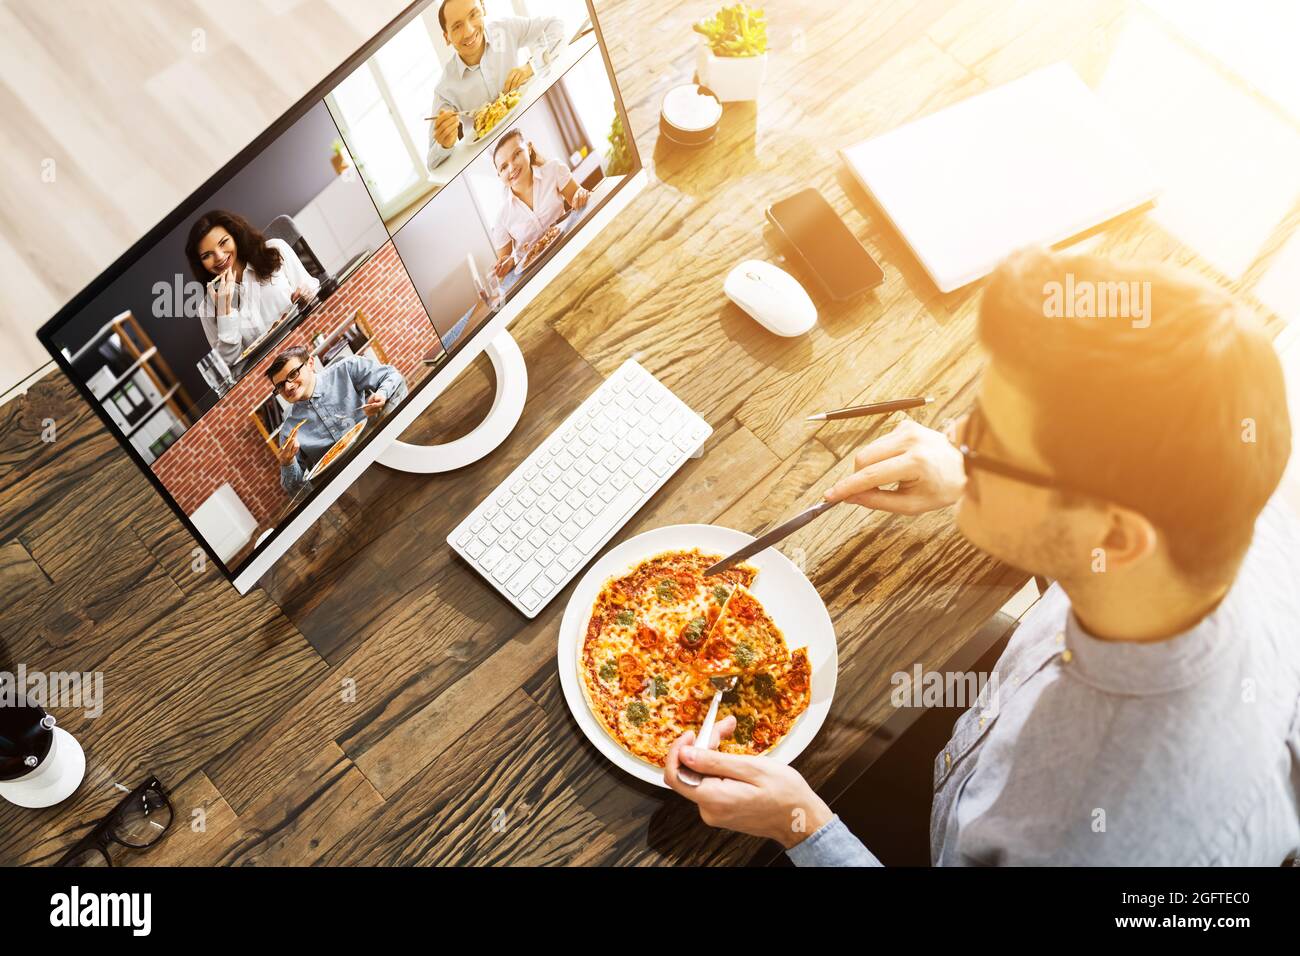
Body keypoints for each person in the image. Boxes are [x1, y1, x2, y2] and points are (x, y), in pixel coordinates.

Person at [664, 248, 1300, 866]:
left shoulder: (1089, 837)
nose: (953, 441)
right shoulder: (1219, 501)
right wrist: (979, 477)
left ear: (1117, 537)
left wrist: (800, 825)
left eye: (988, 440)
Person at [426, 0, 566, 170]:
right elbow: (432, 163)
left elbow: (557, 25)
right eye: (457, 26)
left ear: (483, 8)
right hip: (496, 163)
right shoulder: (445, 89)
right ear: (446, 37)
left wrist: (531, 66)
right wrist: (445, 145)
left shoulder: (506, 29)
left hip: (538, 125)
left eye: (473, 14)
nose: (469, 31)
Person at [186, 210, 320, 367]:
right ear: (200, 263)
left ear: (235, 236)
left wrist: (306, 294)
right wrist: (224, 312)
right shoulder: (207, 307)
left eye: (223, 243)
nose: (220, 257)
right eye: (207, 255)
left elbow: (315, 292)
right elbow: (230, 366)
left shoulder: (275, 250)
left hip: (308, 349)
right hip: (266, 376)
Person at [267, 346, 408, 495]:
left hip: (381, 447)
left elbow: (392, 376)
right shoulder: (288, 432)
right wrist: (287, 463)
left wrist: (382, 394)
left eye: (293, 374)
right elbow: (295, 490)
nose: (288, 386)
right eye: (280, 386)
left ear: (310, 364)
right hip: (347, 486)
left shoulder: (346, 368)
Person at [489, 129, 588, 279]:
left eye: (516, 154)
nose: (512, 168)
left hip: (570, 249)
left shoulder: (553, 169)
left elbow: (580, 202)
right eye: (503, 167)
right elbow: (506, 270)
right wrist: (508, 265)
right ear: (499, 175)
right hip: (537, 276)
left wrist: (581, 195)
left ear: (528, 149)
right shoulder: (501, 217)